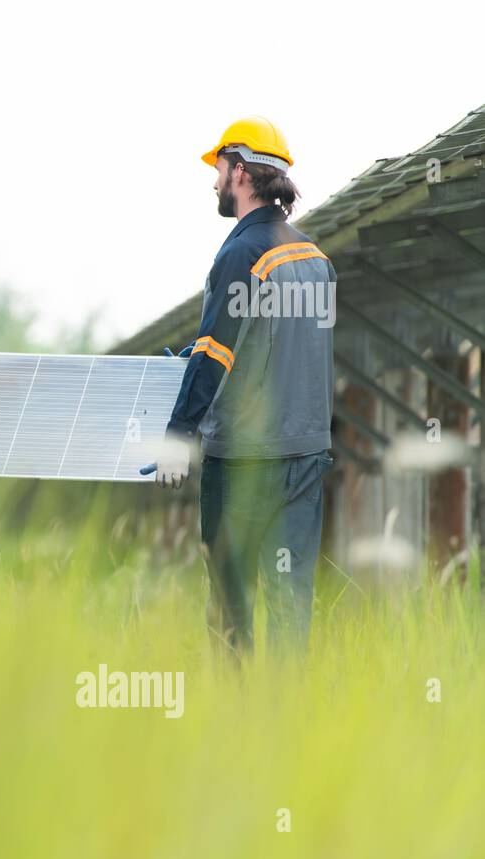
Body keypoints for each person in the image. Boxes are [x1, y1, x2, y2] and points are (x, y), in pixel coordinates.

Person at [154, 116, 336, 663]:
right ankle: (287, 730)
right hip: (305, 455)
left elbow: (216, 354)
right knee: (290, 600)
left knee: (231, 604)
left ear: (240, 173)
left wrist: (178, 436)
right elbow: (280, 342)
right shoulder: (316, 260)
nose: (214, 181)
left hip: (243, 460)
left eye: (218, 169)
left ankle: (237, 731)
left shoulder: (240, 254)